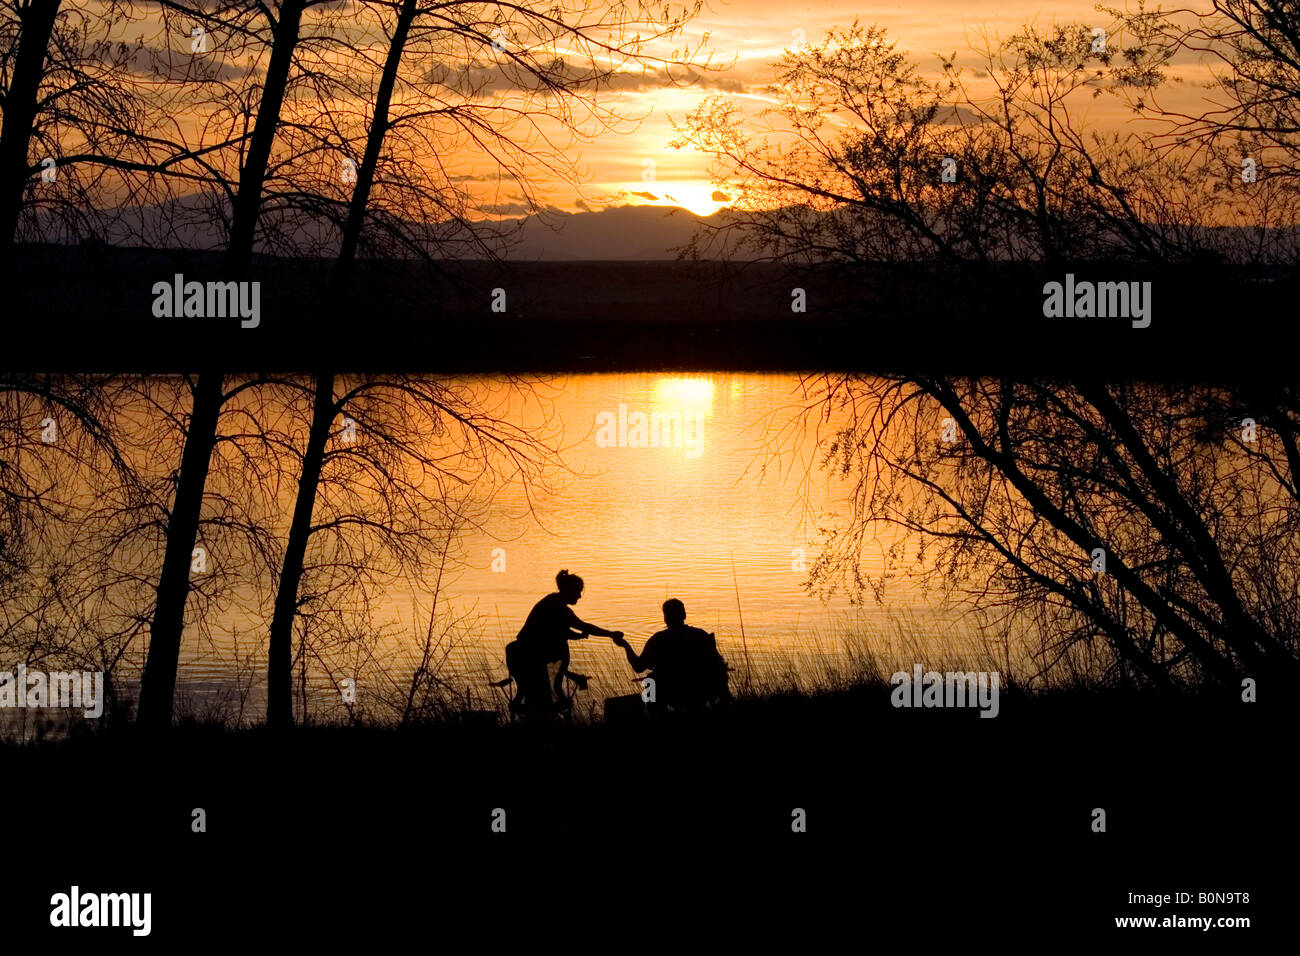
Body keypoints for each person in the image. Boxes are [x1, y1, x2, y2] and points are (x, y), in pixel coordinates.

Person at [505, 569, 623, 716]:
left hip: (518, 652)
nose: (580, 596)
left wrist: (578, 637)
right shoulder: (560, 609)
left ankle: (535, 715)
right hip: (529, 656)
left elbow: (556, 632)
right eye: (578, 591)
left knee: (530, 695)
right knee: (546, 699)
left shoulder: (550, 600)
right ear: (569, 590)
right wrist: (611, 634)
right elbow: (584, 626)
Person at [613, 599, 730, 710]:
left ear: (665, 618)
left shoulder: (658, 639)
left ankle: (656, 716)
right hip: (700, 691)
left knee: (650, 681)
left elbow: (638, 667)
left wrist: (625, 645)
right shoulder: (701, 635)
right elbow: (718, 666)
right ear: (684, 615)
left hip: (669, 693)